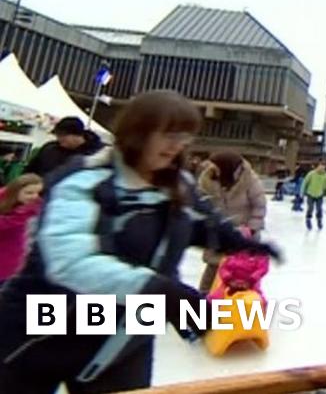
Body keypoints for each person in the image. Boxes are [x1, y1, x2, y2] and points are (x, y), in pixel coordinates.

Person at [0, 90, 280, 393]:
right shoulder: (85, 181)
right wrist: (160, 290)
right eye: (169, 134)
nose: (178, 145)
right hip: (42, 333)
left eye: (185, 137)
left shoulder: (178, 183)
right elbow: (70, 262)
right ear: (138, 131)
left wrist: (241, 242)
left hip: (124, 341)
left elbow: (201, 222)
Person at [197, 151, 267, 293]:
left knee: (239, 271)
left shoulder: (250, 180)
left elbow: (259, 207)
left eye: (215, 166)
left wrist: (251, 230)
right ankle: (203, 300)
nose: (212, 169)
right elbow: (201, 202)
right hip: (218, 232)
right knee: (213, 267)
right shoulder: (208, 179)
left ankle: (238, 303)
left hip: (243, 233)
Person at [0, 174, 43, 282]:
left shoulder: (29, 212)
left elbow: (5, 223)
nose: (34, 196)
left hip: (7, 259)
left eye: (38, 193)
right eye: (29, 192)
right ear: (16, 191)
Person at [22, 116, 88, 178]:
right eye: (58, 135)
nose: (59, 139)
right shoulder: (50, 148)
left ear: (77, 135)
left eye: (63, 135)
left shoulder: (89, 156)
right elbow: (31, 169)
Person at [301, 163, 326, 231]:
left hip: (319, 195)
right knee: (310, 207)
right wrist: (302, 192)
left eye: (323, 168)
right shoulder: (311, 174)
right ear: (317, 167)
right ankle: (308, 219)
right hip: (310, 194)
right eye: (320, 168)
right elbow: (305, 182)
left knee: (319, 208)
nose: (321, 169)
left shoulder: (325, 176)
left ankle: (319, 220)